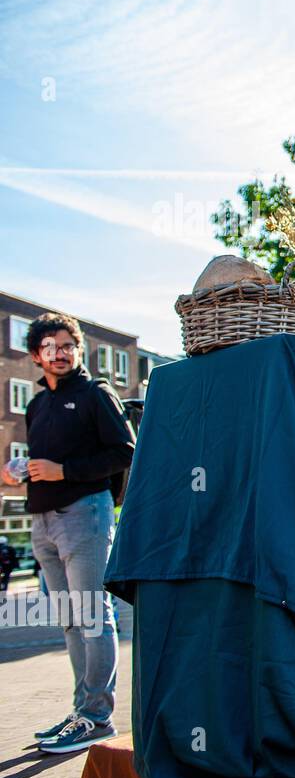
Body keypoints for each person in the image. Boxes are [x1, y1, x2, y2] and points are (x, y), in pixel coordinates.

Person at [1, 313, 135, 752]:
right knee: (70, 621)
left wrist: (65, 471)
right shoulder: (37, 404)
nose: (59, 353)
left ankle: (97, 718)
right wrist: (19, 471)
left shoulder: (96, 394)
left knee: (93, 616)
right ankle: (82, 711)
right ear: (35, 354)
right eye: (49, 347)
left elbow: (125, 451)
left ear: (78, 350)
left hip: (85, 515)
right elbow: (45, 461)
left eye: (67, 345)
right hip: (42, 521)